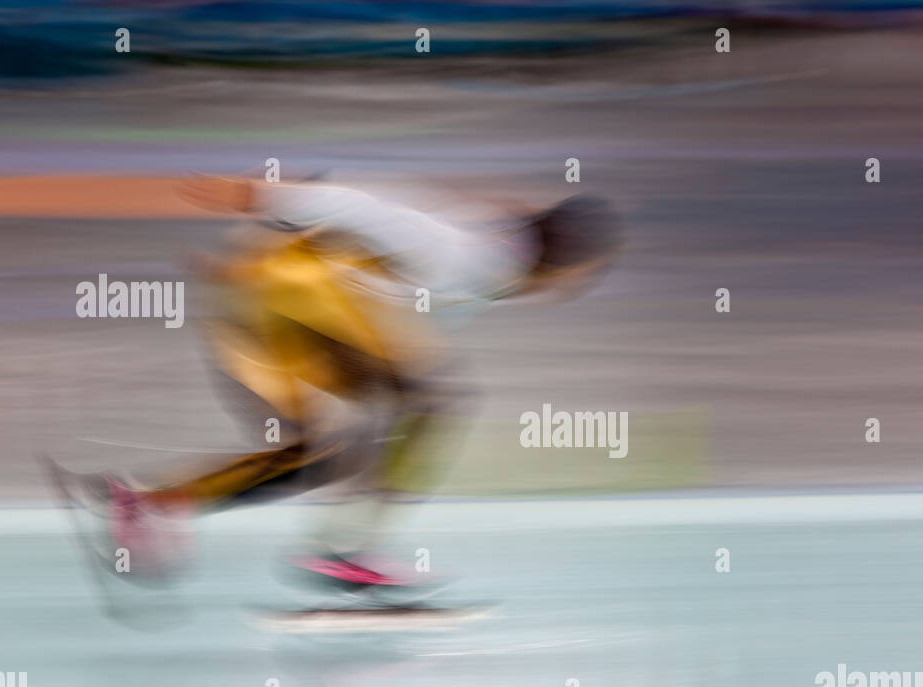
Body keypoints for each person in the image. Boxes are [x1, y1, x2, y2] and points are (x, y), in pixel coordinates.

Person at [90, 176, 619, 591]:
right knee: (432, 402)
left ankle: (152, 505)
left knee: (320, 455)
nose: (566, 292)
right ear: (559, 263)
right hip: (292, 289)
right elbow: (368, 209)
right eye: (575, 278)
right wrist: (267, 195)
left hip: (257, 296)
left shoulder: (489, 258)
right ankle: (348, 552)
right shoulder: (477, 255)